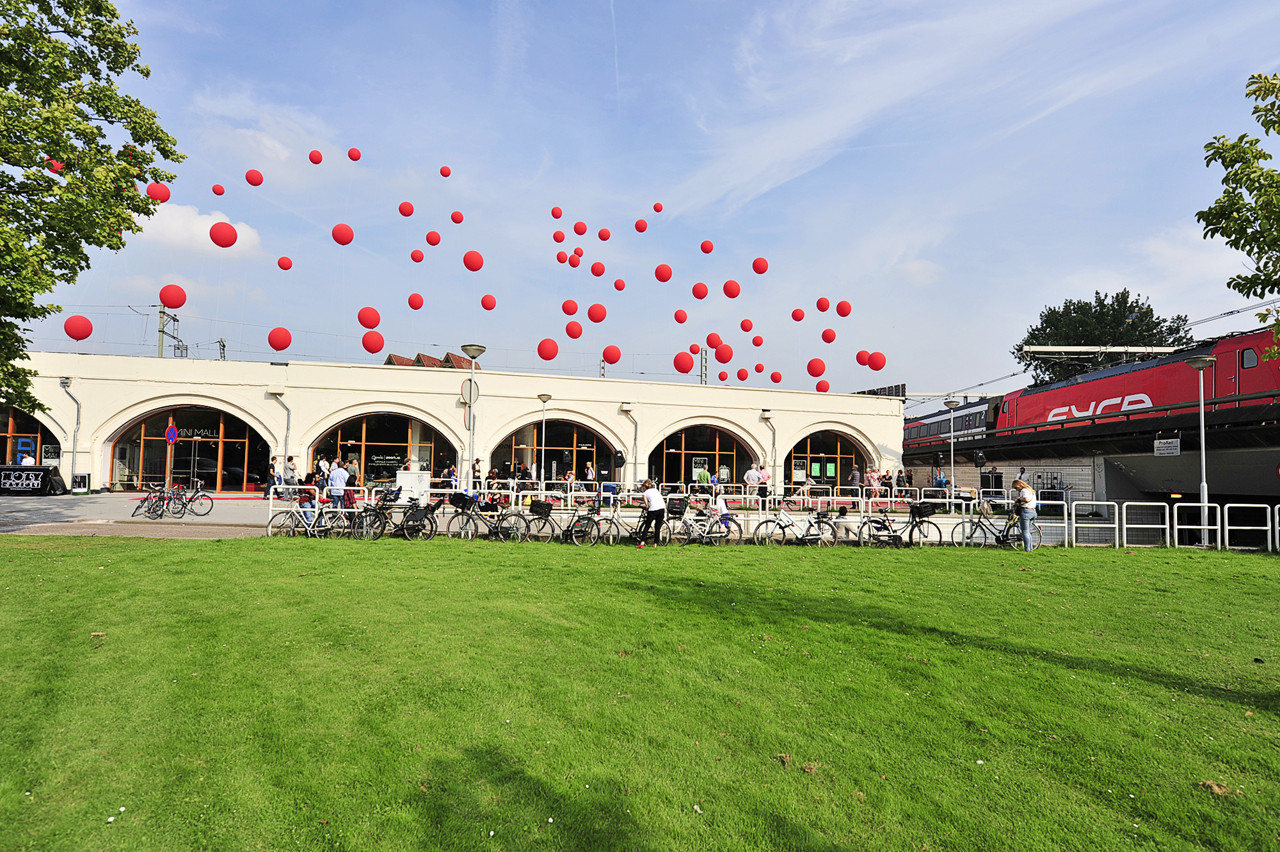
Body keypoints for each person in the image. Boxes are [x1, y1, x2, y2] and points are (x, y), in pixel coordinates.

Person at [636, 479, 665, 548]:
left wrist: (647, 509)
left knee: (647, 526)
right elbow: (661, 499)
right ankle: (655, 544)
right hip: (661, 508)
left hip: (653, 509)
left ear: (644, 487)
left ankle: (642, 543)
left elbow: (647, 504)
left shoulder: (645, 493)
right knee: (657, 527)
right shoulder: (656, 490)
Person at [1013, 478, 1037, 552]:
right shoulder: (1030, 490)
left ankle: (1027, 549)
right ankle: (1030, 548)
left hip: (1026, 512)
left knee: (1025, 532)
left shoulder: (1024, 490)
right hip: (1033, 511)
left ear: (1019, 486)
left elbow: (1026, 499)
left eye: (1016, 488)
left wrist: (1019, 499)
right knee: (1028, 531)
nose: (1016, 490)